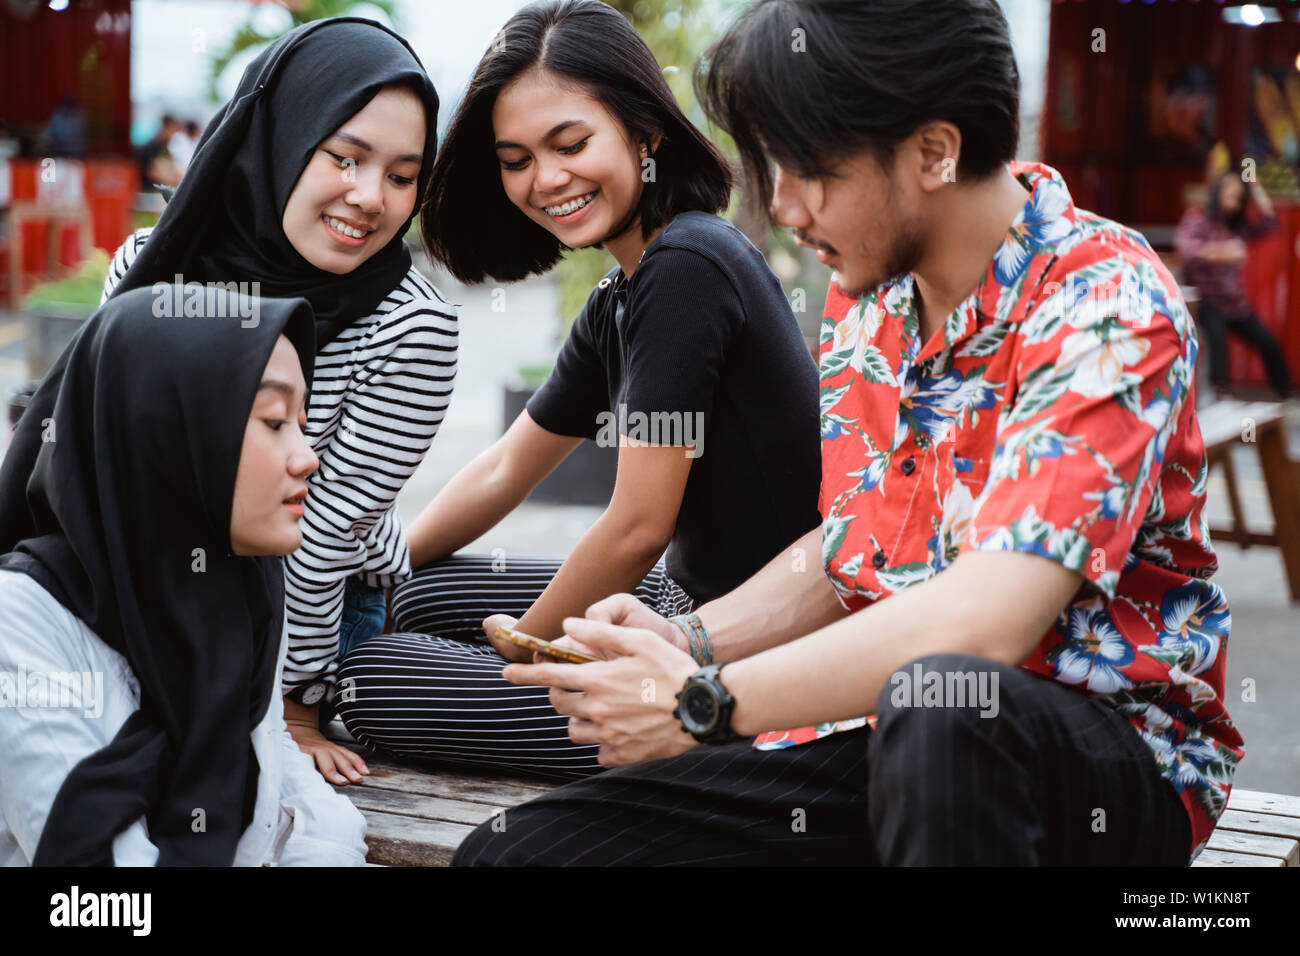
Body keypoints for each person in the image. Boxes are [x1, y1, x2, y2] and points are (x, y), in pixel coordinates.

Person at [452, 0, 1242, 866]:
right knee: (514, 855)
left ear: (934, 152)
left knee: (948, 704)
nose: (783, 207)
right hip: (871, 729)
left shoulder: (1104, 304)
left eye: (810, 171)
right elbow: (848, 550)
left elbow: (986, 621)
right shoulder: (869, 307)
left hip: (1100, 757)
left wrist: (703, 698)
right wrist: (683, 641)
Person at [333, 0, 821, 778]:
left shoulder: (685, 267)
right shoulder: (623, 293)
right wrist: (376, 566)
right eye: (516, 158)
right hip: (670, 601)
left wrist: (528, 655)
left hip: (734, 653)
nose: (546, 179)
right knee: (412, 597)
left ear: (645, 132)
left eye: (570, 144)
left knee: (365, 679)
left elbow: (635, 528)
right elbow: (503, 469)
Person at [99, 17, 458, 788]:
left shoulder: (411, 327)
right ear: (281, 136)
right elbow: (114, 468)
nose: (370, 198)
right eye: (345, 158)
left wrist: (290, 708)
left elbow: (323, 536)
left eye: (402, 176)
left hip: (316, 616)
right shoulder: (151, 267)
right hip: (158, 582)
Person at [0, 286, 368, 866]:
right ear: (166, 431)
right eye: (274, 421)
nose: (307, 456)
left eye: (303, 420)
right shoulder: (20, 623)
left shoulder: (245, 589)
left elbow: (277, 763)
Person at [1175, 170, 1293, 400]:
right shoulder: (1198, 218)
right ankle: (1221, 397)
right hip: (1208, 300)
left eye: (1238, 196)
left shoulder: (1237, 226)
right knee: (1217, 338)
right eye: (1229, 192)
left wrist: (1256, 188)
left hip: (1235, 305)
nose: (1233, 199)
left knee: (1269, 343)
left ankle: (1286, 396)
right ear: (1218, 192)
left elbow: (1271, 222)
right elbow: (1185, 249)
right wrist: (1222, 252)